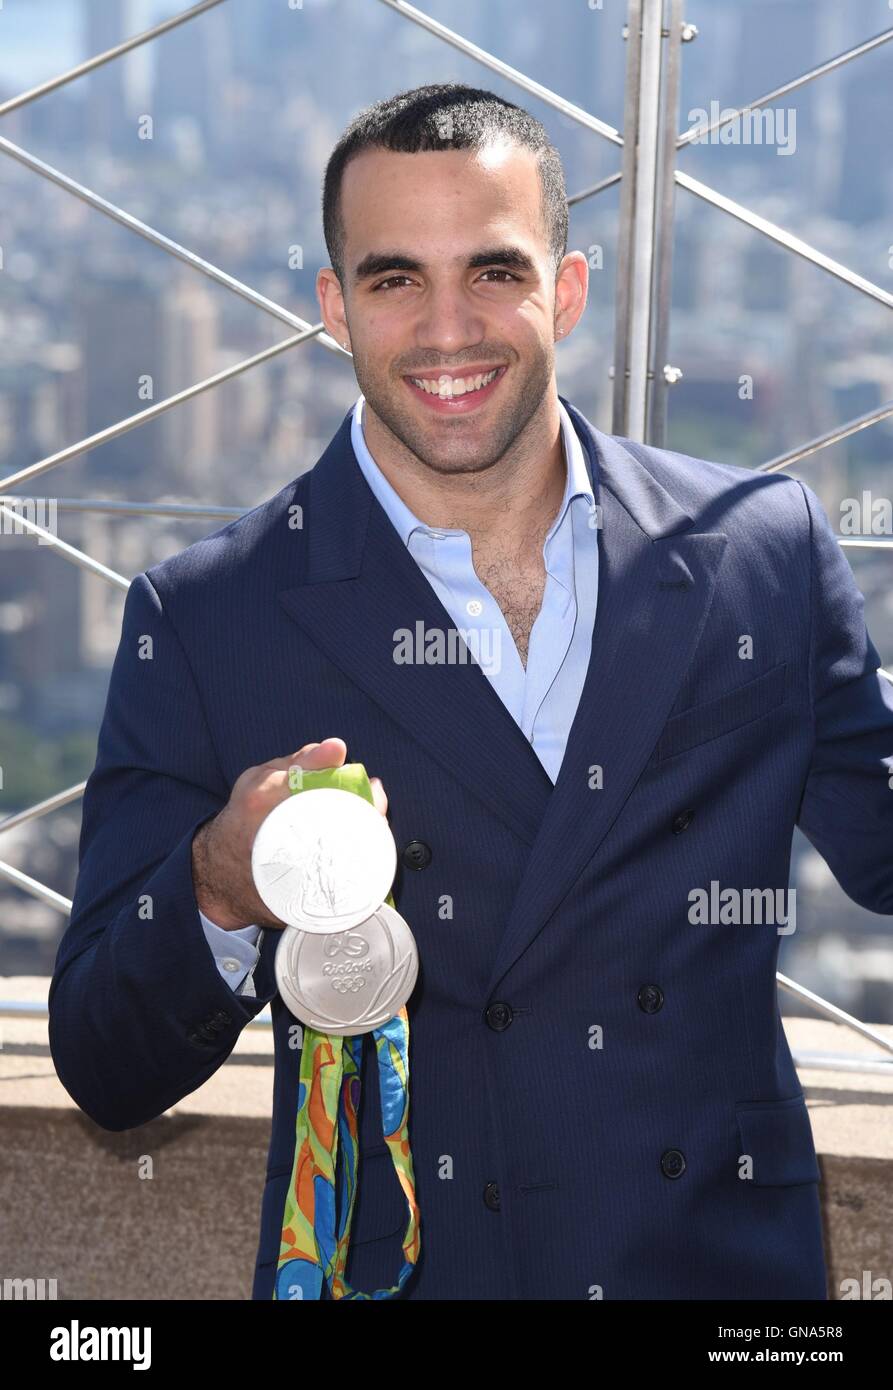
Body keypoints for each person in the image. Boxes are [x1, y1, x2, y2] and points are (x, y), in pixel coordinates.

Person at [49, 83, 893, 1301]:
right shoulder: (206, 617)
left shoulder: (760, 548)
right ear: (333, 308)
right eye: (394, 280)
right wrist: (221, 885)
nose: (448, 330)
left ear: (567, 286)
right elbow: (103, 1062)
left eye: (493, 271)